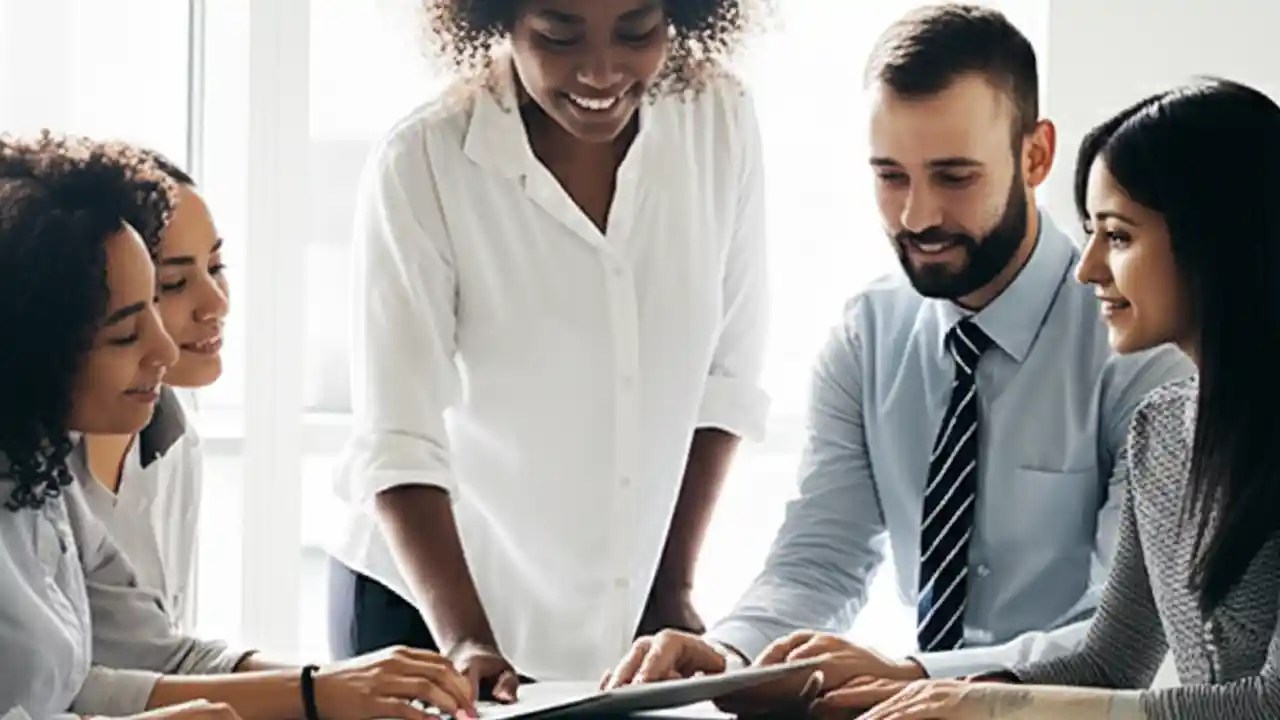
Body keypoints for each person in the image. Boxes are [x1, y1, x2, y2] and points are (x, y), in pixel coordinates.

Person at [606, 2, 1193, 708]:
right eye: (891, 176)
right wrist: (731, 654)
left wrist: (915, 674)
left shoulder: (1144, 349)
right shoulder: (868, 337)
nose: (917, 216)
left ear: (1034, 155)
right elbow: (820, 558)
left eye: (954, 177)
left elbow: (1121, 640)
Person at [325, 0, 772, 691]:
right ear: (497, 17)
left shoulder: (720, 121)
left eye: (636, 32)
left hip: (616, 618)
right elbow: (399, 440)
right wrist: (467, 639)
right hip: (430, 609)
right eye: (558, 35)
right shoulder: (424, 159)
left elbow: (725, 381)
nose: (600, 69)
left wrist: (670, 590)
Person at [0, 132, 475, 720]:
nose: (164, 351)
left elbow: (94, 678)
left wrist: (319, 691)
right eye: (126, 330)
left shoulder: (41, 477)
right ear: (33, 345)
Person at [857, 77, 1280, 720]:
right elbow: (1111, 662)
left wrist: (1003, 708)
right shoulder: (1158, 429)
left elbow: (1269, 703)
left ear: (1212, 235)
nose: (1086, 268)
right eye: (1089, 232)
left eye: (1117, 236)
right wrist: (925, 693)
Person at [80, 153, 225, 634]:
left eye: (217, 265)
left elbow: (165, 650)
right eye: (175, 283)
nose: (216, 303)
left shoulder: (176, 439)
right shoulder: (33, 472)